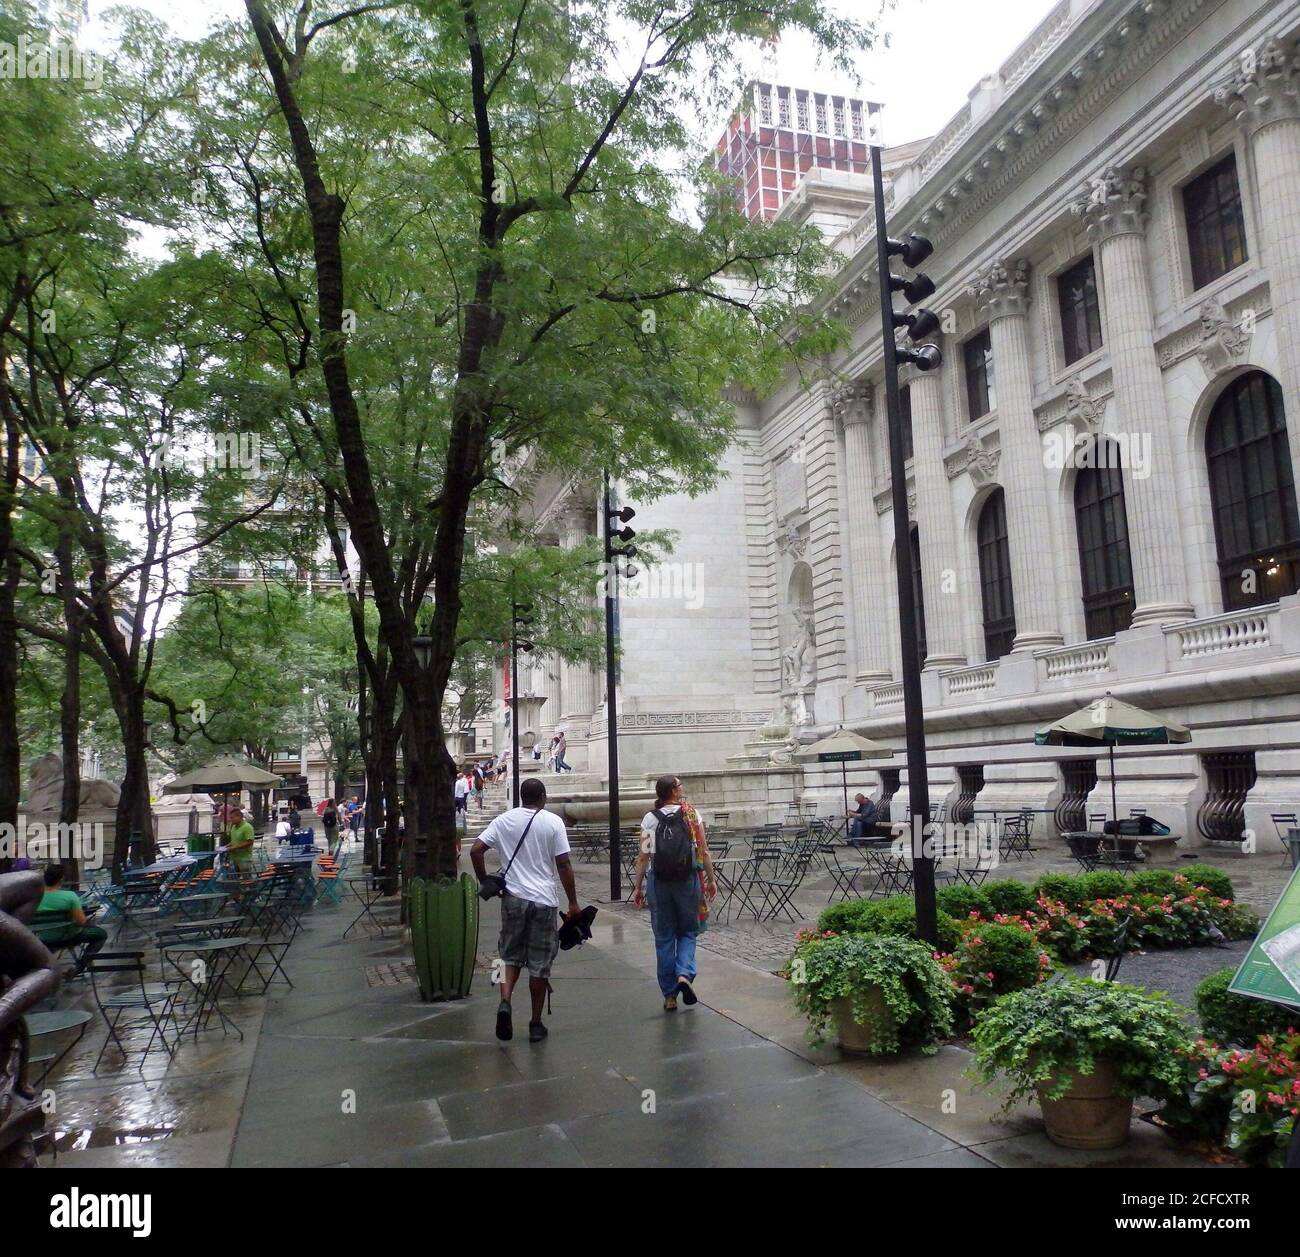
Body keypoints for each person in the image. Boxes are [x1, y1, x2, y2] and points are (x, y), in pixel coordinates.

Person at [470, 778, 580, 1044]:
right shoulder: (553, 822)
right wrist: (573, 902)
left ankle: (505, 1001)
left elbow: (475, 850)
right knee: (539, 964)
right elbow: (563, 864)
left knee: (508, 956)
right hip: (543, 900)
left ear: (521, 797)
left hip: (513, 898)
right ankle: (535, 1022)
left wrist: (485, 880)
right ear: (542, 796)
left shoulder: (504, 820)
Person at [632, 775, 716, 1012]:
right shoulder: (691, 814)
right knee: (688, 931)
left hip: (659, 882)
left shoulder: (650, 819)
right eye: (679, 786)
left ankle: (669, 995)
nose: (682, 788)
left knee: (664, 937)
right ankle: (684, 974)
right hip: (687, 880)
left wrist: (638, 886)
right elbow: (704, 850)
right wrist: (711, 879)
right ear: (672, 790)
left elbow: (644, 856)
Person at [37, 864, 107, 975]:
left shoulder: (35, 897)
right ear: (61, 879)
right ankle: (79, 967)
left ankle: (45, 971)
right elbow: (81, 922)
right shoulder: (69, 896)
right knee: (101, 934)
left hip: (45, 939)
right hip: (69, 936)